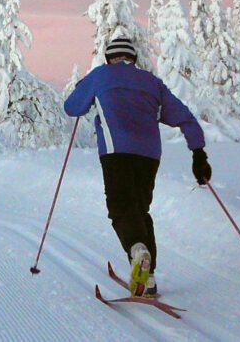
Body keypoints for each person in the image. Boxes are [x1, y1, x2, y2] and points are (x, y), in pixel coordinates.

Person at [64, 36, 212, 297]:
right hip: (149, 156)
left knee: (120, 207)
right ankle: (148, 277)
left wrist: (83, 87)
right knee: (140, 209)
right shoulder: (152, 83)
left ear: (109, 58)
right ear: (134, 59)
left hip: (116, 151)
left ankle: (136, 249)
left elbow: (72, 107)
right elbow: (184, 117)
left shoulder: (100, 75)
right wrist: (198, 154)